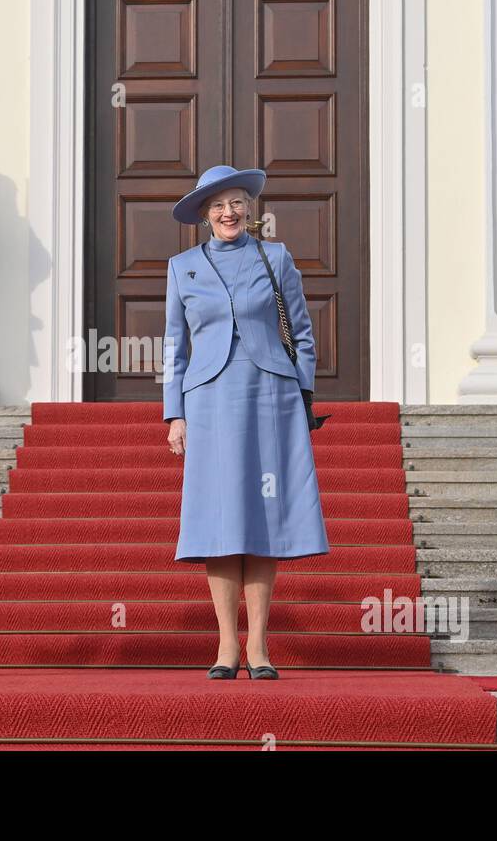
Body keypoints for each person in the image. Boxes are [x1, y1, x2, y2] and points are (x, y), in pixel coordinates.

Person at [162, 165, 329, 681]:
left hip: (270, 396)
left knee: (262, 517)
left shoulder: (275, 257)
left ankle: (258, 645)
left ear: (249, 209)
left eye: (235, 202)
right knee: (220, 521)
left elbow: (302, 331)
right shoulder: (182, 266)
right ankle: (226, 646)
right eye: (217, 206)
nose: (228, 213)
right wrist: (175, 413)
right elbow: (174, 346)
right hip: (209, 399)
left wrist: (300, 392)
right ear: (203, 215)